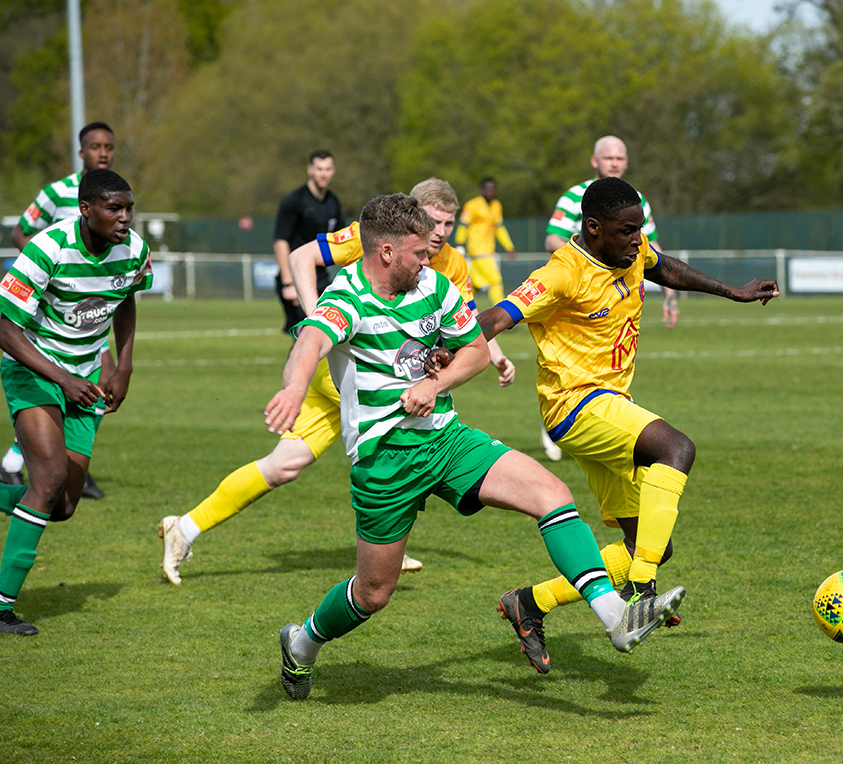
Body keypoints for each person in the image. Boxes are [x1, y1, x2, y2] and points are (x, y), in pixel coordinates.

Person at [263, 193, 681, 698]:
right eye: (419, 253)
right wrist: (292, 386)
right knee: (374, 593)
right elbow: (310, 343)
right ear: (388, 252)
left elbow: (476, 351)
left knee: (552, 494)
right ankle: (302, 642)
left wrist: (434, 386)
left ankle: (615, 617)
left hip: (448, 440)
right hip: (385, 461)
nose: (430, 260)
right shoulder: (346, 298)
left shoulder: (435, 285)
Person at [479, 177, 779, 673]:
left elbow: (665, 267)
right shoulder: (562, 273)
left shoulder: (630, 248)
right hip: (574, 405)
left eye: (639, 231)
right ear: (593, 228)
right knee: (676, 448)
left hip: (608, 404)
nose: (637, 240)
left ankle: (529, 603)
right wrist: (452, 346)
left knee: (650, 546)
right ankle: (640, 592)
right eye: (626, 231)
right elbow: (499, 314)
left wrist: (732, 291)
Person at [157, 178, 516, 584]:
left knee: (283, 465)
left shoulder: (452, 264)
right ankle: (385, 537)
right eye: (433, 222)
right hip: (355, 375)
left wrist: (496, 356)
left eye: (449, 224)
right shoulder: (377, 240)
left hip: (376, 376)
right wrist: (327, 327)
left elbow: (466, 329)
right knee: (398, 431)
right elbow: (301, 257)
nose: (439, 233)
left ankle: (184, 528)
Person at [0, 169, 151, 635]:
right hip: (34, 371)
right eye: (114, 208)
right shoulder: (47, 249)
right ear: (86, 210)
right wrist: (61, 377)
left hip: (84, 380)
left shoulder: (135, 250)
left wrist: (123, 365)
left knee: (62, 504)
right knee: (45, 481)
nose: (124, 218)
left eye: (128, 208)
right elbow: (5, 328)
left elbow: (125, 299)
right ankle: (2, 604)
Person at [538, 135, 677, 461]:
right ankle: (558, 418)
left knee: (612, 361)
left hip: (618, 295)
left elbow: (653, 251)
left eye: (620, 158)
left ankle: (601, 422)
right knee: (568, 365)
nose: (615, 163)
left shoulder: (637, 199)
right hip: (575, 297)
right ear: (595, 161)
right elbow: (552, 238)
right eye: (608, 158)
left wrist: (671, 297)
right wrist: (589, 272)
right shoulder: (575, 196)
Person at [3, 122, 119, 500]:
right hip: (52, 311)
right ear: (81, 152)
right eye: (95, 146)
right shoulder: (56, 193)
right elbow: (21, 232)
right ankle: (21, 466)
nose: (103, 153)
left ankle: (69, 470)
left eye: (109, 147)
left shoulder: (114, 193)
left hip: (91, 312)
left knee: (98, 387)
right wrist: (45, 271)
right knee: (52, 391)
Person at [272, 150, 344, 334]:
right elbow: (281, 242)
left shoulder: (333, 202)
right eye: (319, 169)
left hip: (320, 276)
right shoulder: (294, 201)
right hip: (296, 276)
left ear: (333, 171)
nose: (323, 173)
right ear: (310, 170)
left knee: (326, 333)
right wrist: (289, 284)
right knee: (307, 335)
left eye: (327, 169)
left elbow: (343, 239)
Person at [455, 178, 515, 306]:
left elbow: (499, 228)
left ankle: (459, 309)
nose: (490, 192)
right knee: (495, 281)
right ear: (482, 190)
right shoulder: (472, 205)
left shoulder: (497, 206)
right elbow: (463, 225)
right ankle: (502, 311)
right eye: (487, 189)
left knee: (474, 286)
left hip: (488, 250)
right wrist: (459, 244)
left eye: (493, 189)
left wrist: (509, 246)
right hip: (478, 251)